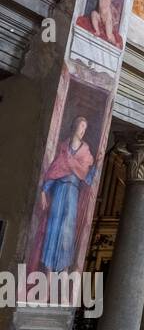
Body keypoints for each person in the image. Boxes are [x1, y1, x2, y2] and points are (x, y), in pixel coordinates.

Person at [36, 116, 97, 273]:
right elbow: (53, 172)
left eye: (85, 128)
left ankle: (62, 277)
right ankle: (48, 282)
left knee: (66, 234)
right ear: (74, 127)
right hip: (58, 193)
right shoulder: (63, 149)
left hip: (71, 195)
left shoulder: (86, 153)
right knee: (52, 231)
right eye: (81, 126)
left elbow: (88, 178)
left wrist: (96, 167)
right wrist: (43, 192)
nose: (83, 130)